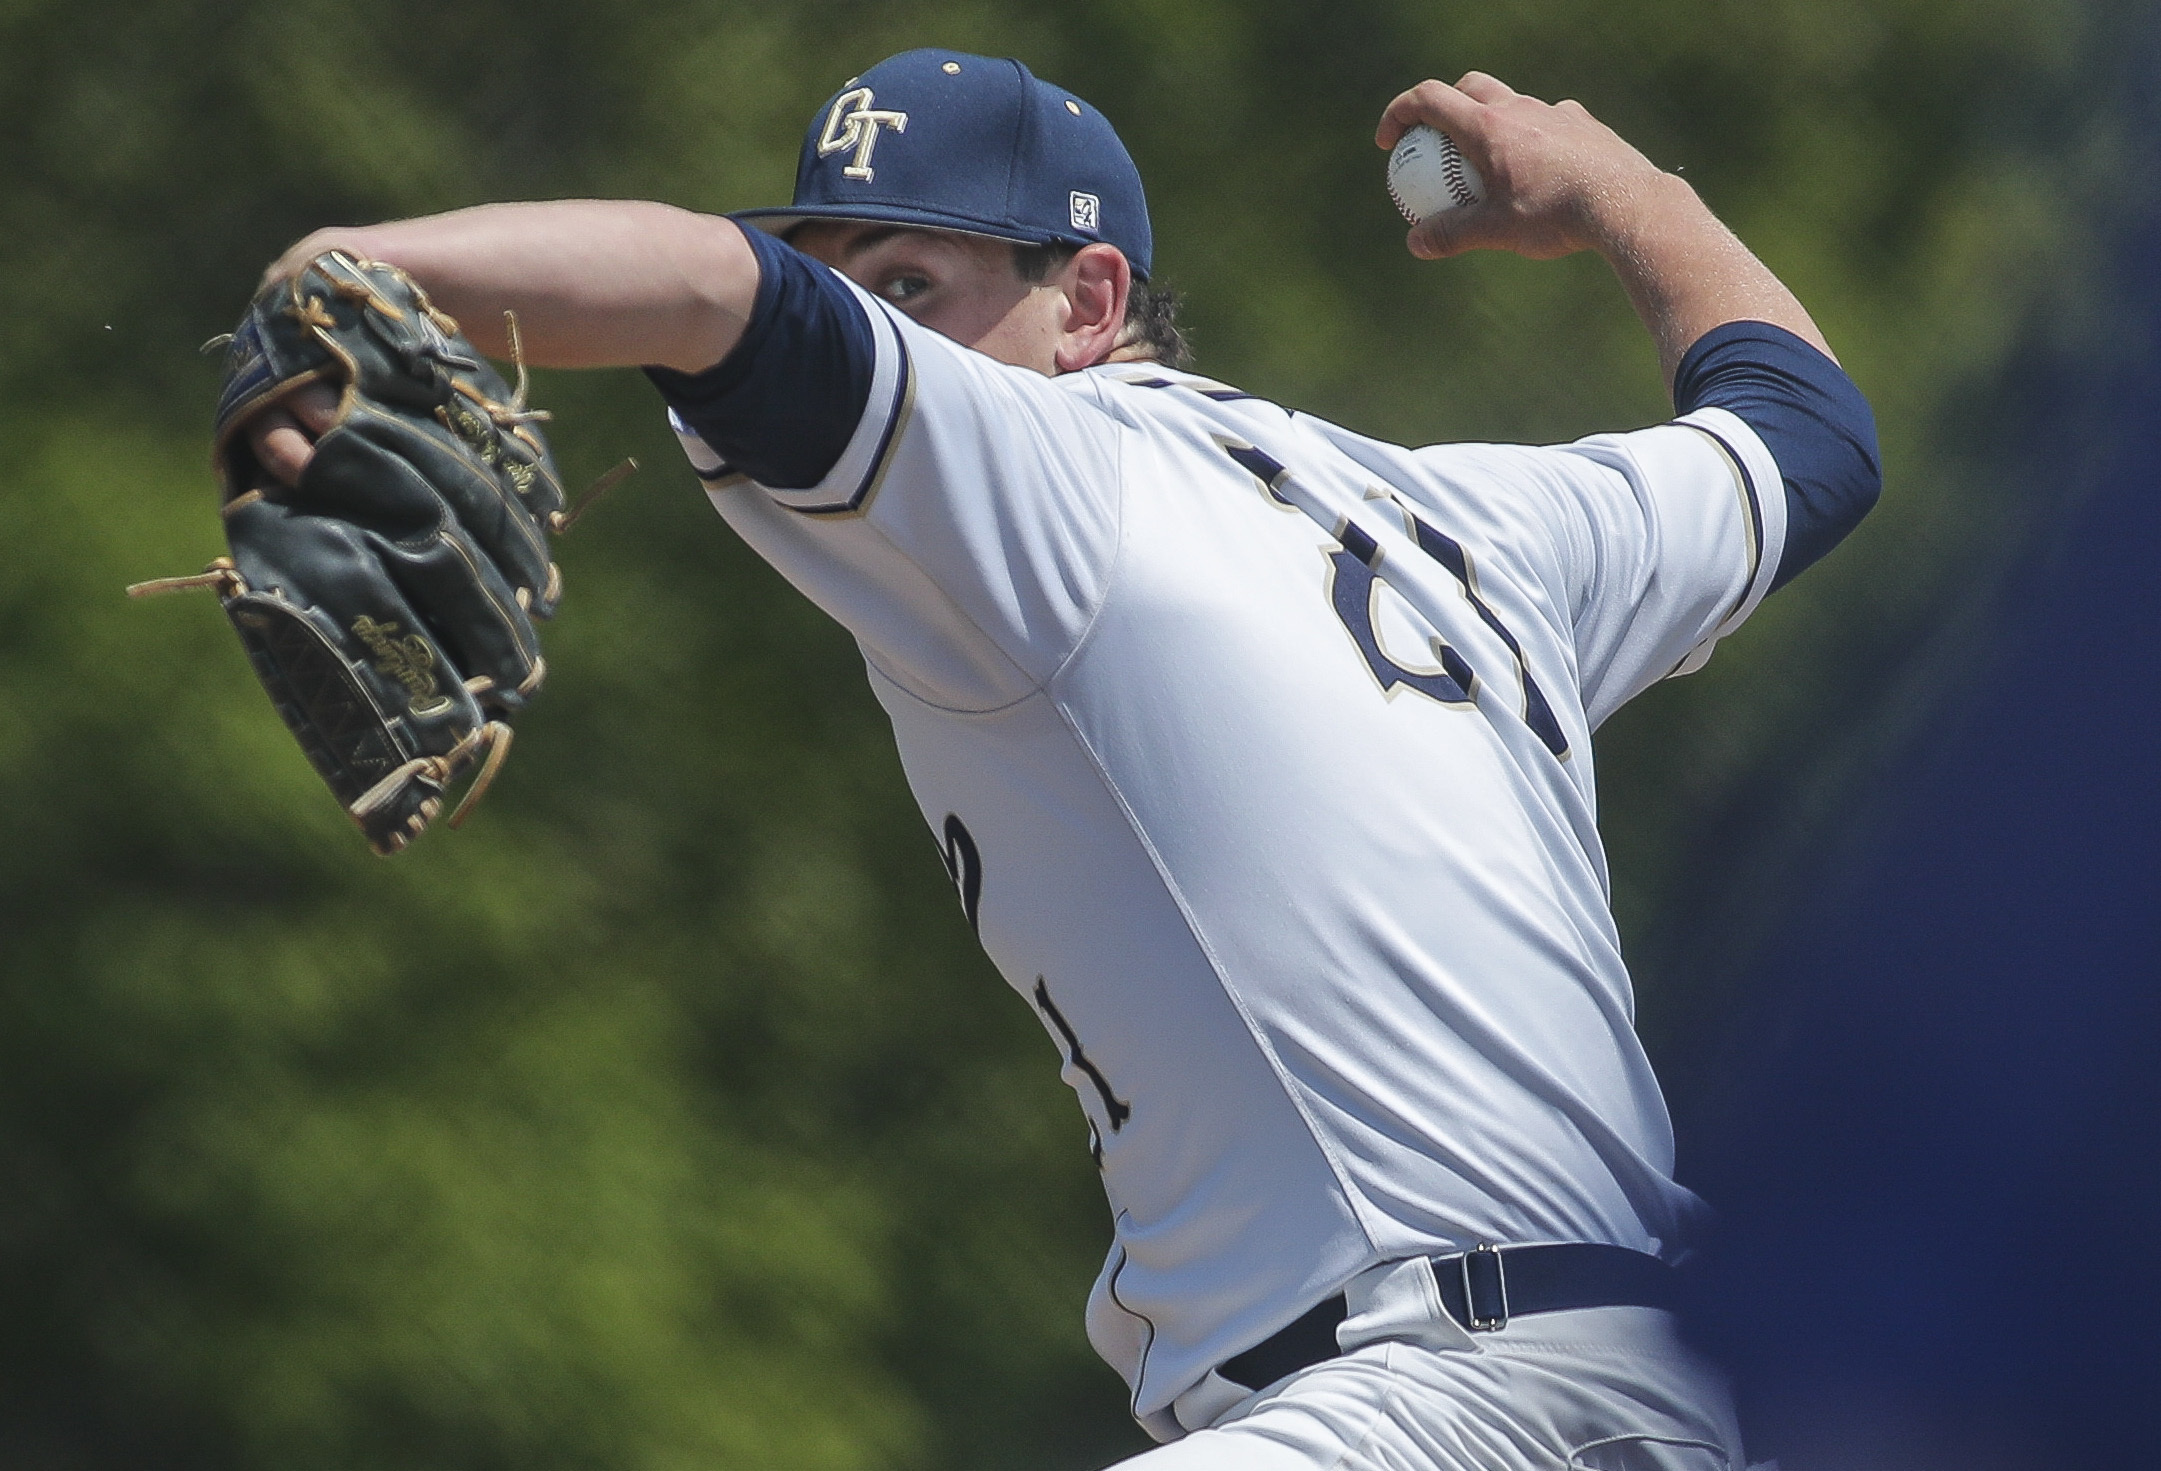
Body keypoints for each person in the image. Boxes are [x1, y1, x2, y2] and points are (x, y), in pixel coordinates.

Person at [242, 49, 1878, 1471]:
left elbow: (710, 289)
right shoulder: (1478, 523)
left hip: (1439, 1400)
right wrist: (1617, 187)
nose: (870, 326)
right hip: (1657, 1394)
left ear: (1086, 305)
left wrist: (338, 278)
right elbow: (1803, 437)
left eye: (906, 284)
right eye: (846, 280)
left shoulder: (1045, 474)